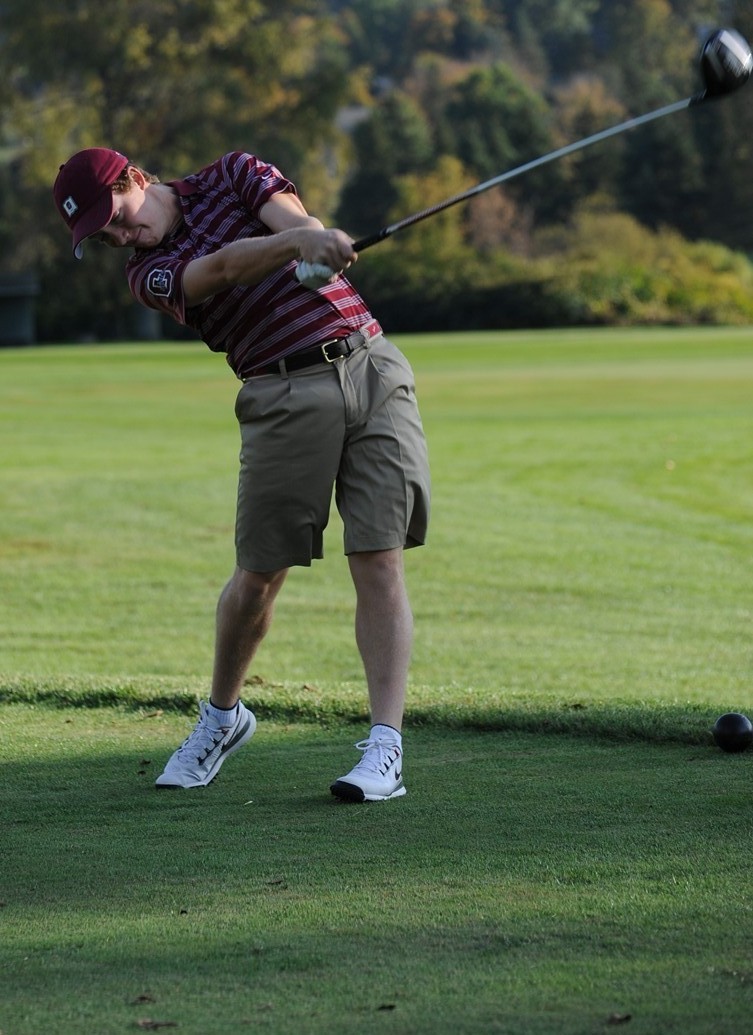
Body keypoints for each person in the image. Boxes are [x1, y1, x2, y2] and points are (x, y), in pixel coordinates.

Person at [53, 147, 430, 802]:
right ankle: (223, 717)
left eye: (115, 217)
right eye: (104, 235)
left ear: (134, 178)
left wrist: (306, 236)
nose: (119, 237)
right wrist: (299, 247)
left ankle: (383, 747)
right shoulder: (148, 274)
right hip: (280, 393)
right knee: (258, 575)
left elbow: (287, 215)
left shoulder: (232, 173)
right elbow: (224, 267)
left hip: (372, 365)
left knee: (379, 557)